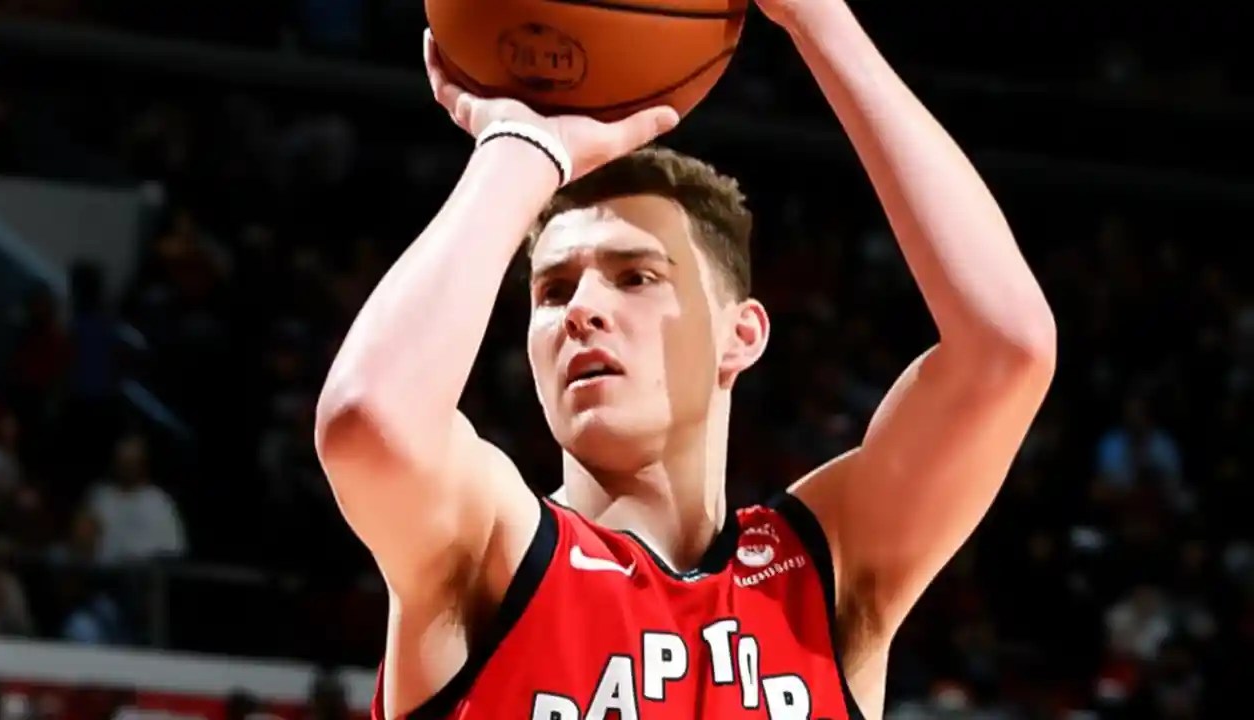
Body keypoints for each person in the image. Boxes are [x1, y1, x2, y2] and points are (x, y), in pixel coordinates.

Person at [314, 0, 1057, 717]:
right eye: (553, 289)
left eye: (637, 276)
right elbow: (368, 418)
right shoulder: (490, 552)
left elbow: (1007, 346)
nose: (582, 310)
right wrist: (521, 147)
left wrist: (818, 16)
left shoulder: (821, 573)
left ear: (743, 335)